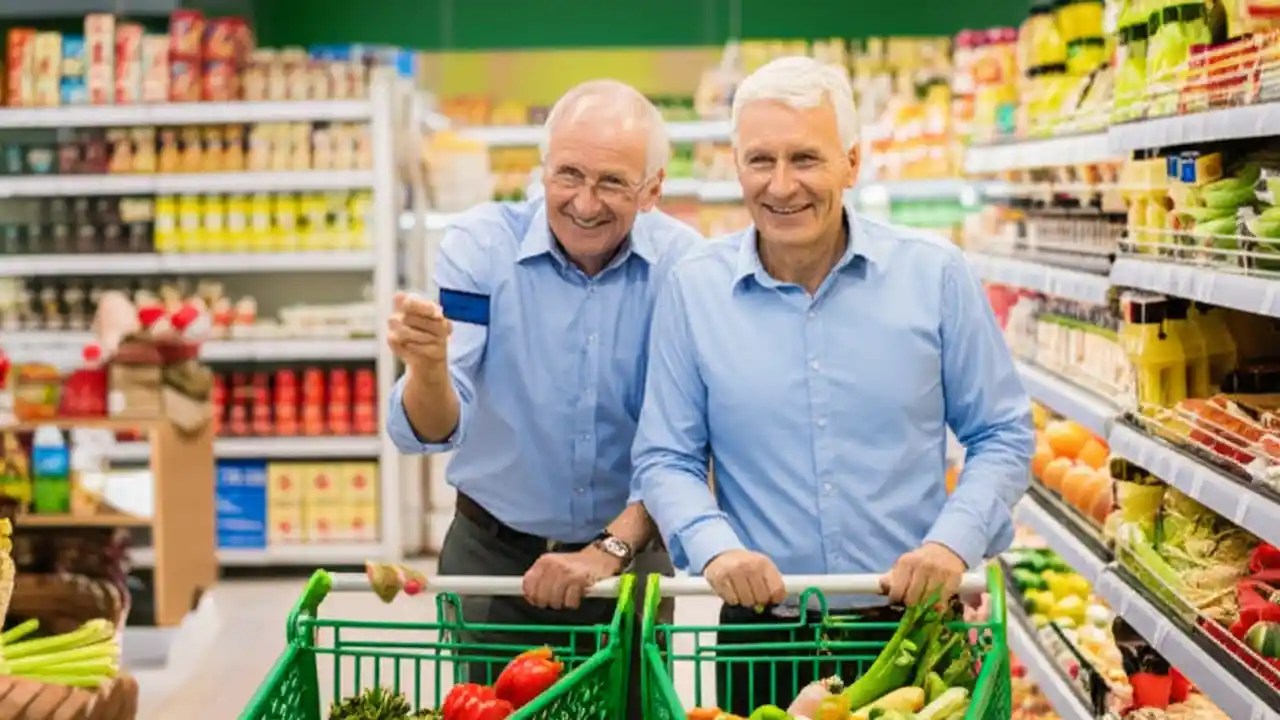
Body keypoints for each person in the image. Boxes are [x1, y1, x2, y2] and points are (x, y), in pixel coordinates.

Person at [633, 56, 1034, 714]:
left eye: (806, 159)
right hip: (762, 633)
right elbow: (665, 455)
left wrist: (950, 542)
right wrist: (715, 546)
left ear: (852, 162)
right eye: (760, 160)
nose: (782, 185)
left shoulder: (933, 275)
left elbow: (1001, 433)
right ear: (736, 165)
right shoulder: (695, 290)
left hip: (912, 628)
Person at [385, 79, 698, 719]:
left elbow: (684, 438)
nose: (584, 203)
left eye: (612, 183)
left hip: (627, 560)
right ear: (542, 169)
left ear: (653, 189)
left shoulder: (685, 269)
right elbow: (440, 422)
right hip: (494, 557)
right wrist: (429, 369)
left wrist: (607, 552)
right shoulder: (481, 247)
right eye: (568, 175)